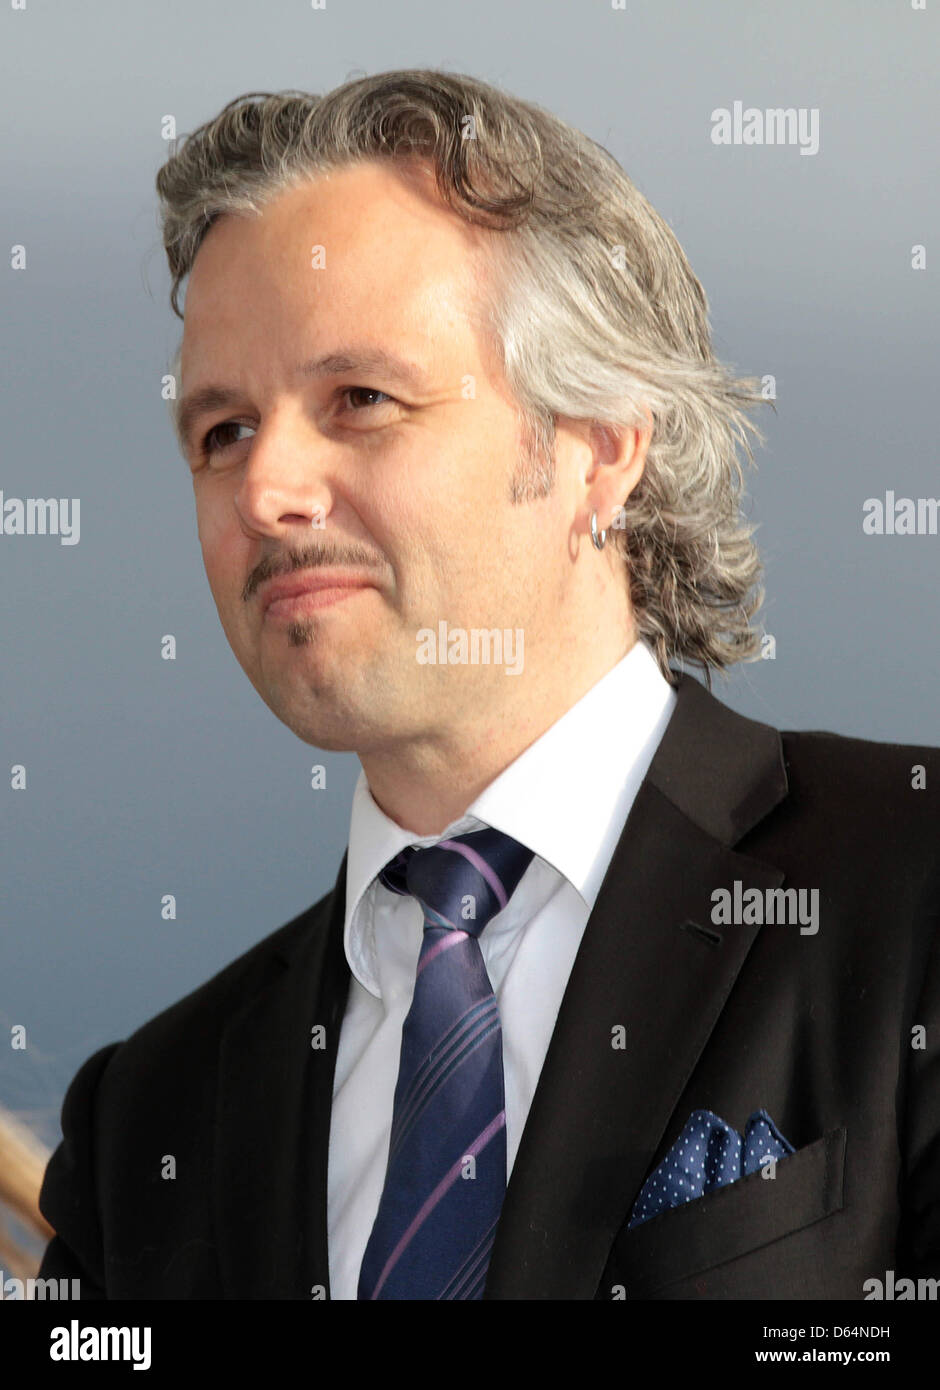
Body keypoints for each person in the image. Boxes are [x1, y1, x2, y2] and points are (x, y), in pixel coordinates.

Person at [37, 69, 939, 1300]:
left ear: (601, 442)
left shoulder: (907, 887)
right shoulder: (152, 1121)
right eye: (222, 431)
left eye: (359, 399)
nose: (264, 491)